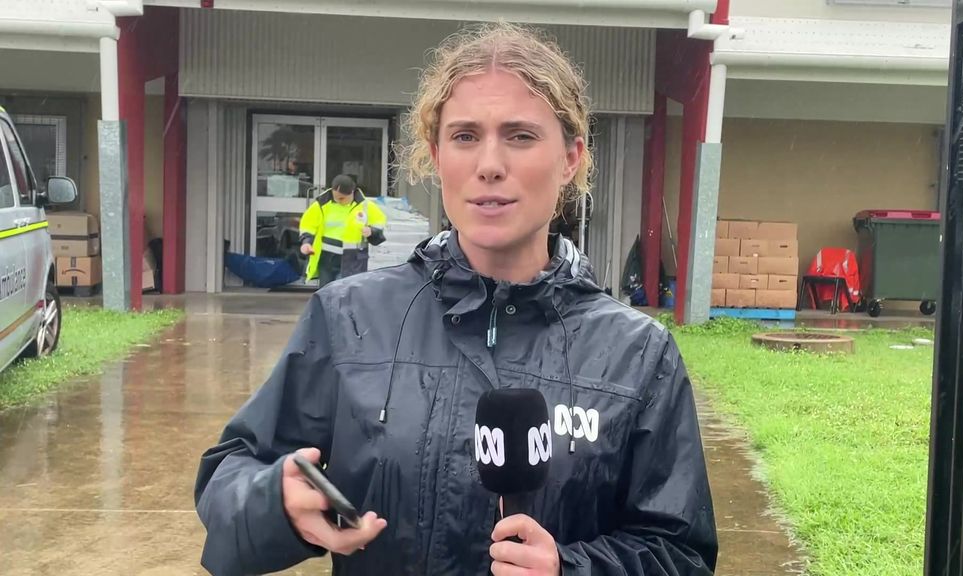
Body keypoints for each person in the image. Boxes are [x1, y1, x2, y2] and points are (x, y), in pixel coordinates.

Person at [195, 22, 717, 576]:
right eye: (465, 136)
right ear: (436, 155)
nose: (489, 163)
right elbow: (230, 474)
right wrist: (277, 502)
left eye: (520, 135)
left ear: (570, 158)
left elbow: (680, 552)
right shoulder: (348, 318)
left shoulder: (638, 355)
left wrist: (570, 569)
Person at [298, 174, 387, 288]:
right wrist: (306, 242)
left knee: (346, 293)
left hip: (353, 259)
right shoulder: (322, 204)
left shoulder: (365, 206)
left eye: (341, 198)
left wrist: (372, 231)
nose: (338, 200)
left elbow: (379, 226)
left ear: (352, 193)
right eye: (335, 197)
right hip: (327, 259)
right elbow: (308, 225)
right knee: (327, 292)